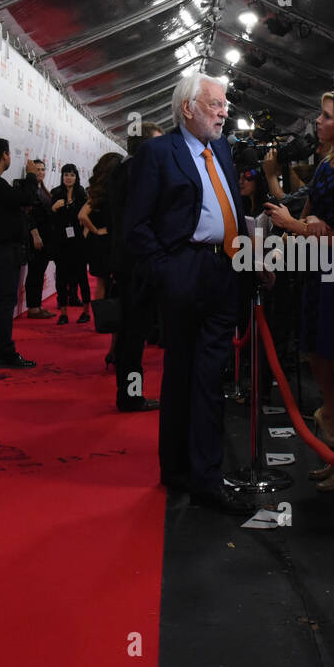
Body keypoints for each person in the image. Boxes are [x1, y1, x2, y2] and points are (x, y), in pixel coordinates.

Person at [124, 73, 256, 515]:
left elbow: (231, 208)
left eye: (224, 105)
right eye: (215, 104)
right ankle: (184, 470)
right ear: (188, 108)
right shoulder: (158, 154)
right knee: (183, 374)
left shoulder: (222, 150)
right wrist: (167, 272)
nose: (224, 112)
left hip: (224, 270)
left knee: (208, 376)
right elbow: (136, 225)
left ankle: (203, 474)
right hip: (185, 272)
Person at [264, 93, 334, 482]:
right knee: (322, 365)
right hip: (316, 272)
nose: (316, 124)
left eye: (323, 117)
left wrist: (298, 227)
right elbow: (304, 218)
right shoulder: (324, 166)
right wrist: (301, 229)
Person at [108, 123, 165, 411]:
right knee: (134, 335)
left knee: (131, 333)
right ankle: (131, 396)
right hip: (136, 264)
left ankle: (129, 394)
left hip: (127, 262)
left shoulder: (123, 170)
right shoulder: (135, 173)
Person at [0, 137, 39, 368]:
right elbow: (26, 198)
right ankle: (4, 352)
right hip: (0, 249)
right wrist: (31, 176)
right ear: (5, 155)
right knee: (3, 299)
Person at [79, 152, 124, 328]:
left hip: (100, 243)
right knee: (114, 282)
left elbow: (82, 216)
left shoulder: (97, 191)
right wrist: (97, 230)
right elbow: (82, 216)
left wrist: (94, 231)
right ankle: (113, 322)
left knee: (101, 282)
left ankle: (101, 321)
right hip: (110, 241)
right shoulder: (116, 191)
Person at [49, 164, 90, 325]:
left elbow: (88, 217)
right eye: (66, 174)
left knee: (82, 277)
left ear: (76, 176)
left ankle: (86, 311)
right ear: (62, 176)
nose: (69, 177)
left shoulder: (82, 194)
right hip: (61, 242)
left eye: (72, 175)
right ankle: (63, 313)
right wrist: (53, 209)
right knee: (61, 278)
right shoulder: (56, 193)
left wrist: (84, 235)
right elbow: (50, 220)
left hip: (78, 242)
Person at [23, 159, 59, 319]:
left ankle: (36, 305)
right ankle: (33, 307)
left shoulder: (42, 189)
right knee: (34, 272)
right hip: (36, 239)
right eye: (37, 169)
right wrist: (35, 234)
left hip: (47, 238)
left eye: (43, 169)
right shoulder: (29, 190)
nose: (40, 172)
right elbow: (28, 214)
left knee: (38, 272)